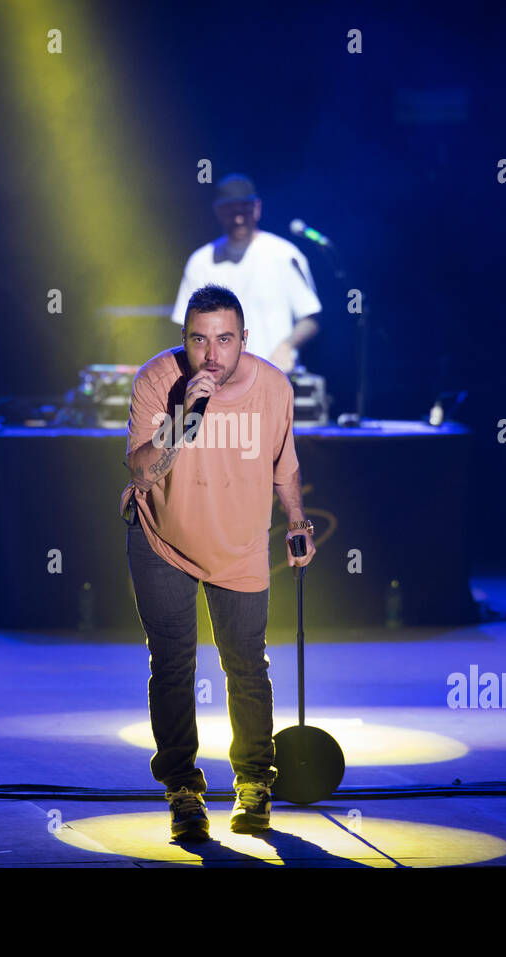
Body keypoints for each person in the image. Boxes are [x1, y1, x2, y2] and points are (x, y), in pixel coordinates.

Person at [120, 283, 316, 842]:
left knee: (247, 665)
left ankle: (254, 784)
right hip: (162, 541)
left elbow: (285, 463)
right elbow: (141, 471)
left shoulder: (274, 387)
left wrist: (297, 522)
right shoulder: (159, 379)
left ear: (243, 340)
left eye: (224, 340)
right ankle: (183, 790)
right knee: (173, 665)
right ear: (184, 339)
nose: (211, 354)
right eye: (199, 340)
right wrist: (184, 412)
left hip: (241, 544)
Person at [170, 174, 322, 374]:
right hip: (217, 385)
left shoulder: (284, 255)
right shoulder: (201, 262)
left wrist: (287, 345)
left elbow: (310, 317)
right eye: (231, 212)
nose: (239, 218)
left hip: (273, 377)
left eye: (245, 210)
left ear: (257, 208)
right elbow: (185, 324)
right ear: (218, 212)